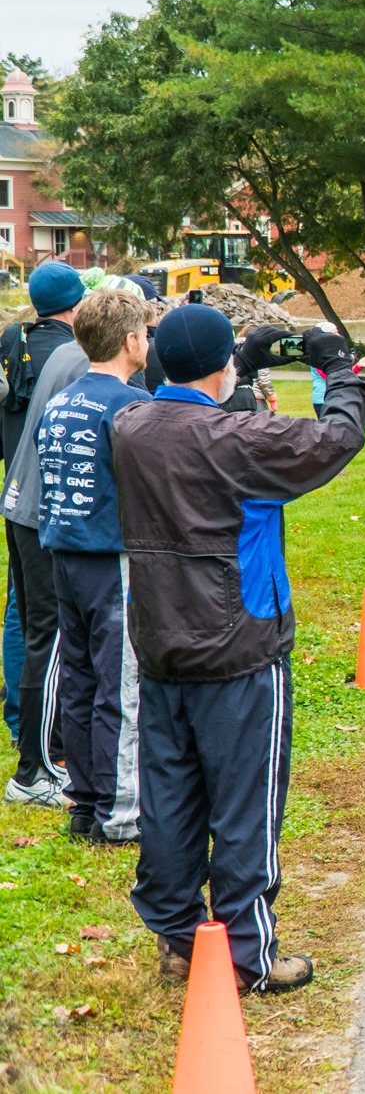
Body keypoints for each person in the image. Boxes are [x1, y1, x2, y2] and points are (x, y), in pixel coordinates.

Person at [124, 309, 365, 993]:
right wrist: (339, 366)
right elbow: (335, 438)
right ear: (220, 367)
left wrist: (243, 364)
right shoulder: (238, 441)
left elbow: (197, 424)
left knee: (169, 799)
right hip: (239, 646)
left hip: (162, 641)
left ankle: (178, 939)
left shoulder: (132, 427)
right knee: (244, 806)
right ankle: (244, 952)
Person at [37, 287, 151, 841]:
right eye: (146, 333)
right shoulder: (130, 406)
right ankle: (120, 806)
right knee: (121, 683)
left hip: (64, 553)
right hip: (111, 559)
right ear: (131, 341)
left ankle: (83, 797)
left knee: (79, 680)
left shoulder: (61, 400)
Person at [0, 260, 85, 808]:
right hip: (42, 504)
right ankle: (35, 763)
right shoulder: (70, 356)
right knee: (48, 636)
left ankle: (26, 732)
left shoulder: (17, 340)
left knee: (25, 619)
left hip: (15, 493)